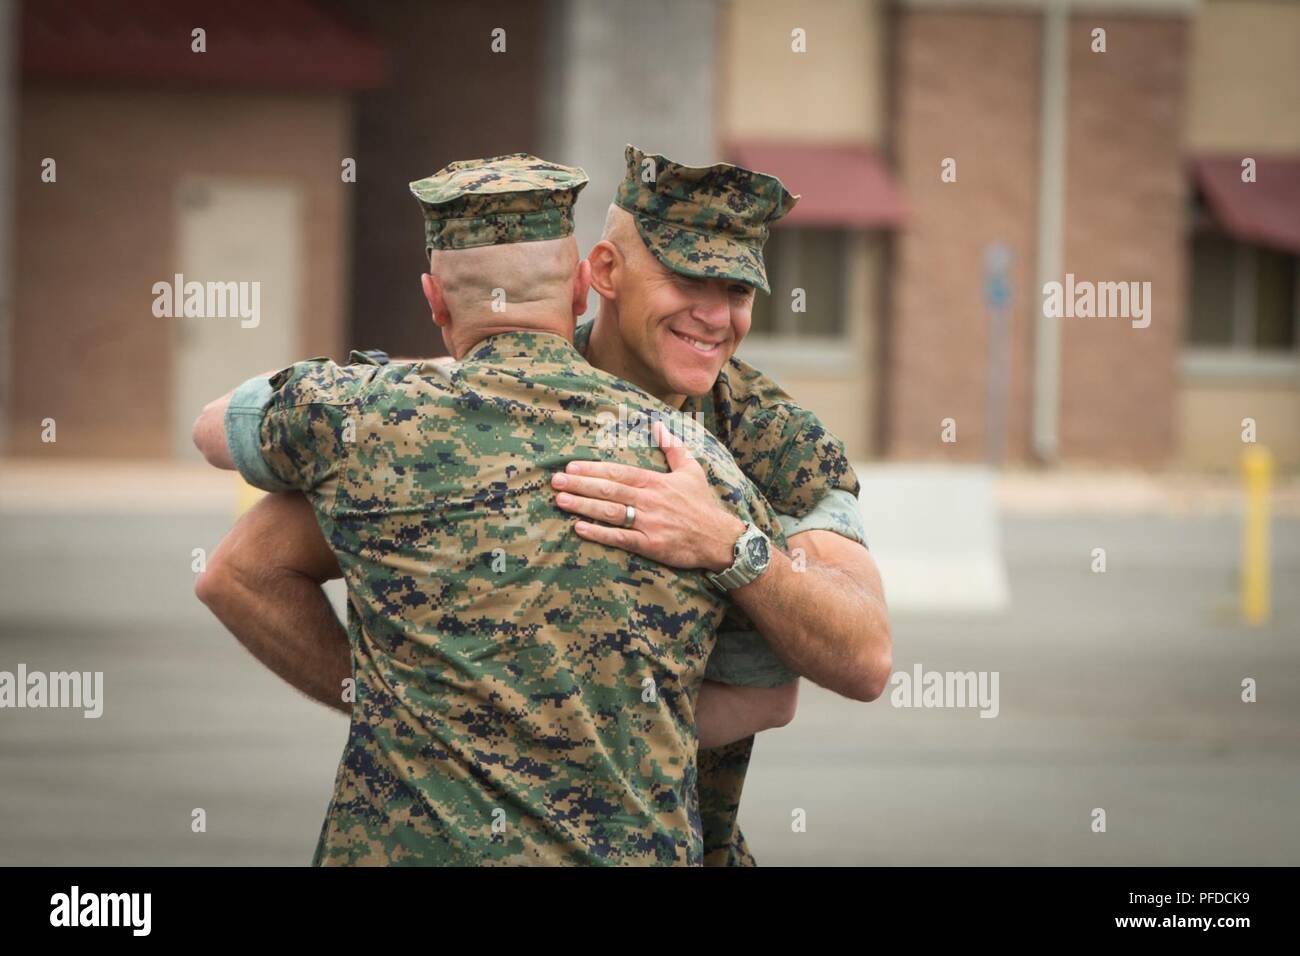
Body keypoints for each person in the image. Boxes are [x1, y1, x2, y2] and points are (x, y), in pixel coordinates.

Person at [192, 154, 805, 865]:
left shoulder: (359, 419)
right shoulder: (697, 470)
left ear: (434, 301)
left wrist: (404, 702)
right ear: (582, 289)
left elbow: (214, 433)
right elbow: (768, 695)